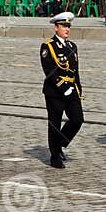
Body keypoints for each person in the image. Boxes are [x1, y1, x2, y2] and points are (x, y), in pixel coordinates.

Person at [40, 12, 83, 169]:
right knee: (55, 123)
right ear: (56, 27)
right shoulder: (48, 46)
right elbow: (49, 70)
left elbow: (75, 70)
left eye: (69, 26)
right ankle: (54, 155)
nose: (67, 29)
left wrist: (77, 87)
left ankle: (59, 143)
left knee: (77, 119)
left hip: (71, 89)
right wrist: (62, 86)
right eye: (64, 26)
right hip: (55, 92)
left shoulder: (72, 46)